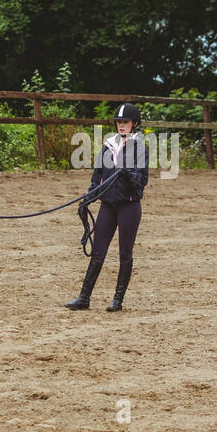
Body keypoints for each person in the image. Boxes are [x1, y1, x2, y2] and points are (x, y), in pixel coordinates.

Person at [65, 103, 148, 311]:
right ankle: (84, 298)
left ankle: (117, 300)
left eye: (125, 122)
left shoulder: (140, 148)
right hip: (108, 206)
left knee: (124, 253)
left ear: (134, 124)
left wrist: (127, 173)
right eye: (119, 122)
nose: (121, 125)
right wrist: (88, 198)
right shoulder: (108, 146)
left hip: (128, 207)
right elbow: (97, 179)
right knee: (98, 252)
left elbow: (142, 180)